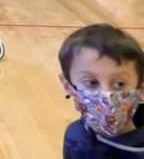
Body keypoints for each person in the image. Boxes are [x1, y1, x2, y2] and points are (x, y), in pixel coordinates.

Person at [59, 24, 144, 157]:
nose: (106, 95)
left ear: (141, 87)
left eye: (119, 84)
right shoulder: (75, 136)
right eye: (91, 83)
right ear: (68, 86)